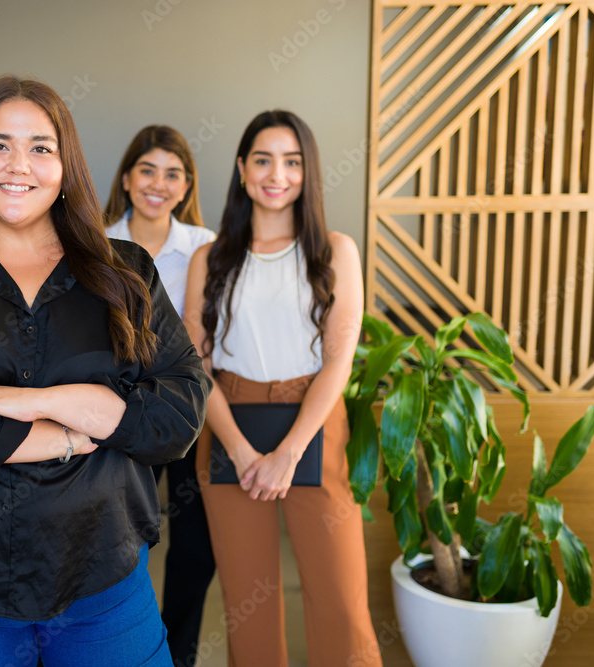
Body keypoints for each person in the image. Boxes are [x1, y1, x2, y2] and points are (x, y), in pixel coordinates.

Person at [0, 75, 211, 667]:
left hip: (102, 577)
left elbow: (179, 412)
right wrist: (62, 438)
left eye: (41, 147)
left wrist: (49, 401)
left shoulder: (126, 274)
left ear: (65, 162)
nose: (17, 164)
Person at [183, 111, 382, 666]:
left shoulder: (335, 251)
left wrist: (289, 452)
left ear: (308, 171)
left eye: (292, 162)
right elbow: (196, 363)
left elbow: (340, 358)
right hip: (229, 430)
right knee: (248, 601)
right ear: (242, 169)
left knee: (340, 602)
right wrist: (244, 452)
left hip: (314, 424)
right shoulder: (210, 257)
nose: (277, 174)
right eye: (264, 160)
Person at [104, 125, 216, 667]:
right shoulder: (93, 241)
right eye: (147, 170)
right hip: (122, 418)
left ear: (186, 185)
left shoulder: (204, 247)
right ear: (127, 179)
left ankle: (180, 655)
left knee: (195, 548)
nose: (158, 183)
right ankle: (130, 649)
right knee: (127, 543)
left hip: (190, 417)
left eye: (173, 174)